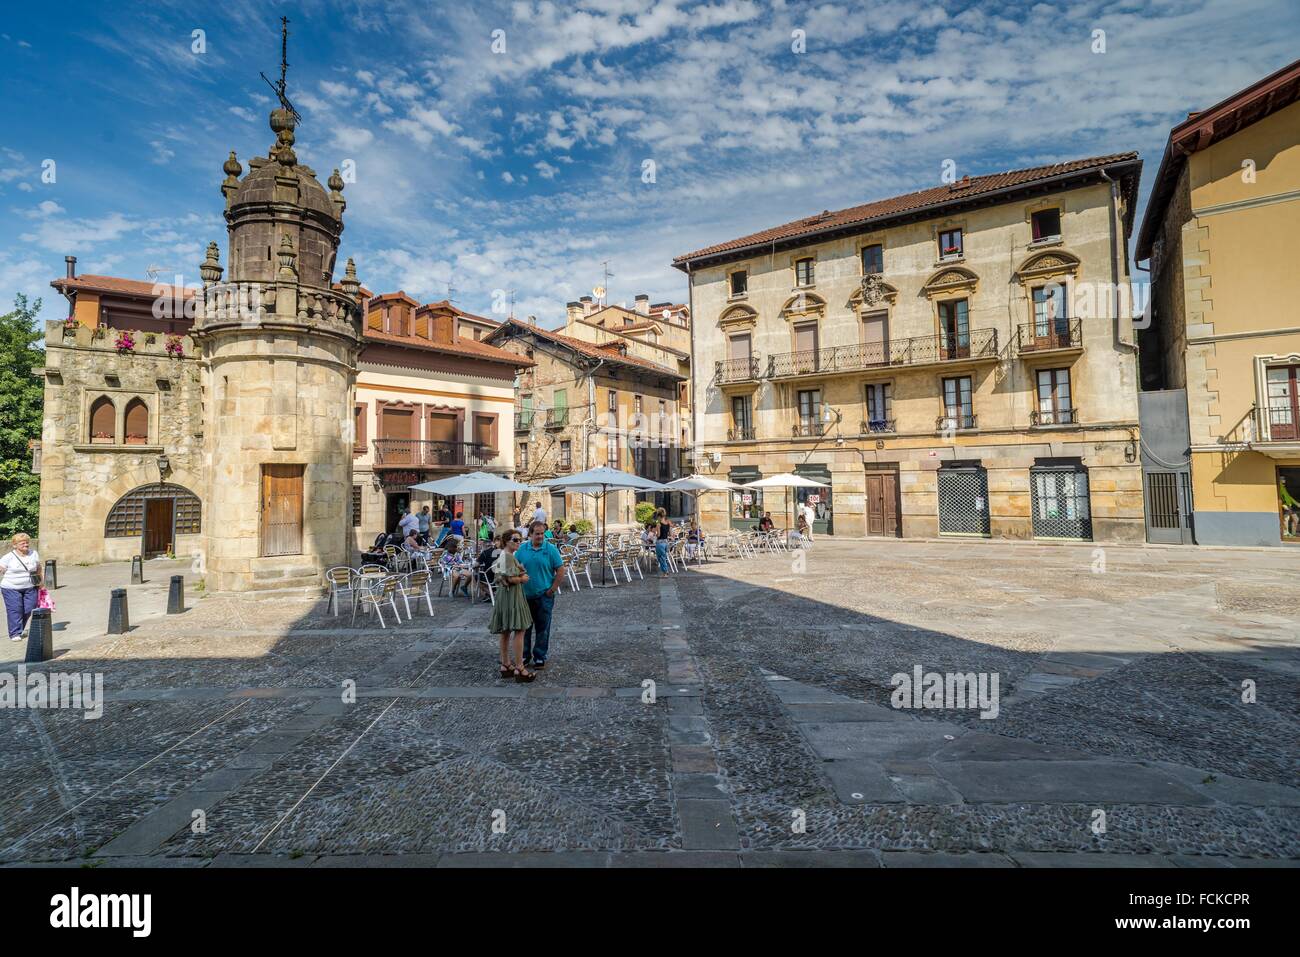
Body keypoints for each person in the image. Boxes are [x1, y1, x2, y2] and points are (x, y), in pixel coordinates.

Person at [516, 520, 564, 669]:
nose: (540, 536)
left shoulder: (550, 549)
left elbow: (560, 569)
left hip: (544, 595)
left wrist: (553, 589)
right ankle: (524, 655)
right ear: (530, 534)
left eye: (542, 533)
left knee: (543, 628)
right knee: (525, 628)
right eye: (537, 534)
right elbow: (514, 567)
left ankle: (540, 656)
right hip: (525, 596)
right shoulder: (522, 549)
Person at [490, 529, 535, 682]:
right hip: (512, 595)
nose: (518, 542)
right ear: (507, 541)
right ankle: (520, 667)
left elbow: (500, 576)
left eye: (520, 540)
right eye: (515, 540)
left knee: (505, 630)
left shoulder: (502, 555)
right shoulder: (508, 556)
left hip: (504, 595)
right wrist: (523, 578)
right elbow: (510, 579)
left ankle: (506, 664)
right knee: (520, 630)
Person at [2, 533, 42, 642]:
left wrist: (40, 581)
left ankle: (19, 628)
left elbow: (38, 567)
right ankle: (15, 633)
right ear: (15, 545)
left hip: (30, 586)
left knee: (30, 608)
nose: (26, 544)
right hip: (10, 587)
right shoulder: (8, 557)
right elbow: (1, 568)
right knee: (15, 609)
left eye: (27, 542)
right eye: (22, 542)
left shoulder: (34, 553)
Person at [474, 536, 501, 602]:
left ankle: (492, 594)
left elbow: (476, 565)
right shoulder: (498, 551)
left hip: (488, 575)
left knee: (477, 577)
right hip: (498, 574)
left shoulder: (484, 553)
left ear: (484, 545)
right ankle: (489, 595)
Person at [654, 508, 673, 575]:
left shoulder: (659, 524)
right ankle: (665, 571)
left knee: (661, 558)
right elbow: (670, 534)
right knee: (664, 558)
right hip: (666, 543)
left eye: (657, 517)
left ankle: (665, 572)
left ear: (659, 516)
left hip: (660, 543)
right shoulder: (668, 524)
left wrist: (655, 534)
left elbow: (658, 535)